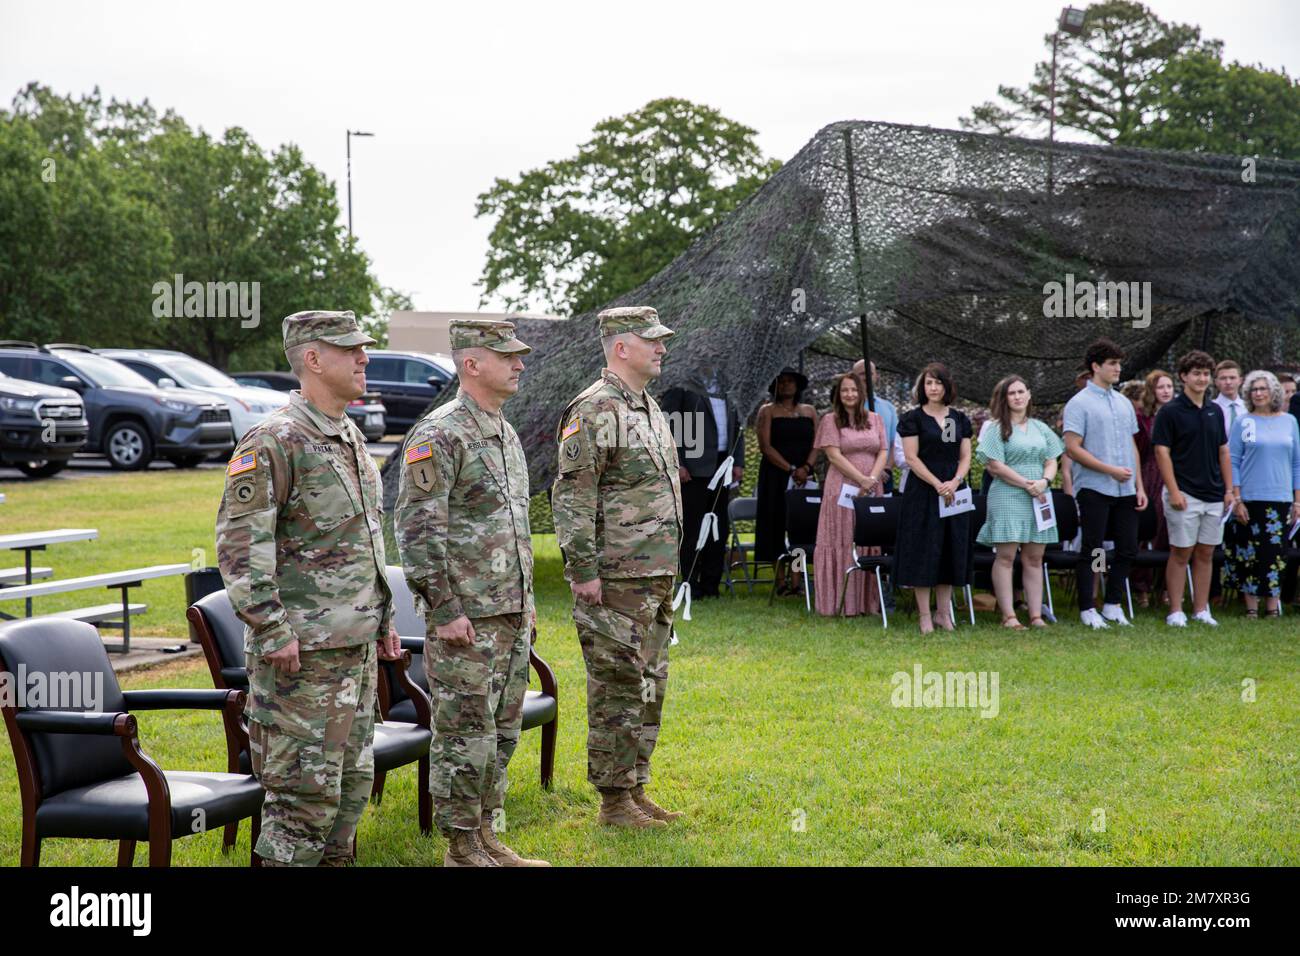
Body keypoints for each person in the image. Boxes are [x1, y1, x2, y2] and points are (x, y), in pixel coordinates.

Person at [215, 310, 400, 867]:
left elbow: (365, 542)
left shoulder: (348, 436)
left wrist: (384, 621)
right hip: (302, 659)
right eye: (351, 350)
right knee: (302, 799)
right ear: (313, 359)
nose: (364, 358)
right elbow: (241, 547)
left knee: (348, 789)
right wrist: (271, 628)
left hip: (355, 648)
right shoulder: (275, 440)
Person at [394, 319, 547, 867]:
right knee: (464, 732)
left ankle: (485, 835)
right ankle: (460, 847)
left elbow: (515, 527)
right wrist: (445, 609)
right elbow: (417, 529)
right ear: (471, 363)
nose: (520, 364)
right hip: (466, 617)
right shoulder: (441, 433)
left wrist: (527, 604)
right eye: (506, 355)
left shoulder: (503, 431)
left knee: (502, 730)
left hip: (507, 611)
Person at [551, 306, 683, 829]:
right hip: (614, 578)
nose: (662, 348)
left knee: (649, 683)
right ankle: (612, 803)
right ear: (620, 347)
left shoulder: (647, 407)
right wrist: (582, 569)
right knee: (616, 686)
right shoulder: (594, 408)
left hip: (653, 574)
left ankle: (635, 786)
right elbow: (573, 496)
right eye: (651, 340)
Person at [1062, 338, 1148, 629]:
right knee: (1094, 549)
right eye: (1112, 363)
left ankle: (1112, 605)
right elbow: (1073, 448)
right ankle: (1088, 607)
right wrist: (1109, 469)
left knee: (1127, 549)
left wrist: (1140, 486)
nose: (1118, 369)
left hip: (1126, 489)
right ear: (1095, 366)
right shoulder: (1078, 403)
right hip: (1095, 488)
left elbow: (1132, 445)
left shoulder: (1124, 402)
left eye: (1119, 363)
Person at [1151, 350, 1233, 627]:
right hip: (1183, 494)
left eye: (1205, 374)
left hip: (1214, 495)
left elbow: (1223, 451)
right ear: (1184, 376)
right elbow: (1162, 453)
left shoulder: (1215, 410)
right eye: (1196, 373)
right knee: (1181, 553)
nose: (1201, 378)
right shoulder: (1170, 411)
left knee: (1206, 553)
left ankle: (1201, 609)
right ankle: (1175, 611)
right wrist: (1173, 491)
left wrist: (1229, 489)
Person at [975, 376, 1064, 629]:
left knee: (1035, 558)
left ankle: (1035, 615)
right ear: (1004, 398)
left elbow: (1051, 458)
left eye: (1021, 391)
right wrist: (1027, 483)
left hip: (1039, 496)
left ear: (1029, 394)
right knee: (1005, 557)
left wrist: (1044, 482)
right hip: (1008, 495)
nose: (1017, 396)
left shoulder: (1040, 427)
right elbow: (995, 465)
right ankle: (1009, 616)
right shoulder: (995, 428)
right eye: (1011, 393)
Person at [894, 362, 973, 633]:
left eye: (938, 382)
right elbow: (911, 458)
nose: (933, 388)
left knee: (949, 549)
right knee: (924, 550)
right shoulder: (912, 419)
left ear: (947, 386)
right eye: (928, 383)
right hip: (923, 493)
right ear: (922, 387)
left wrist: (955, 481)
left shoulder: (958, 419)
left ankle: (943, 613)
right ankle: (924, 616)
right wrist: (938, 484)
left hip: (954, 493)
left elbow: (964, 456)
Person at [660, 370, 744, 599]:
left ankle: (711, 584)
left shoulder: (728, 383)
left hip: (723, 465)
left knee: (719, 528)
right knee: (693, 529)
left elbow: (738, 425)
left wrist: (738, 460)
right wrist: (678, 462)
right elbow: (669, 424)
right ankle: (689, 584)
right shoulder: (681, 383)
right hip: (694, 468)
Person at [1225, 370, 1300, 618]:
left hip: (1280, 499)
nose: (1258, 393)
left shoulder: (1289, 421)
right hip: (1249, 497)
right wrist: (1237, 498)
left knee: (1275, 554)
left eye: (1263, 389)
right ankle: (1250, 607)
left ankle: (1272, 607)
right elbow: (1233, 460)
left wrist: (1297, 500)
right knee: (1249, 553)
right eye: (1254, 389)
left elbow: (1296, 463)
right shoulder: (1243, 422)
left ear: (1274, 392)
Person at [812, 372, 888, 617]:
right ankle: (843, 602)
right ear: (838, 394)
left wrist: (872, 480)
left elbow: (884, 451)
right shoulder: (830, 420)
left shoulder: (876, 419)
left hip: (872, 487)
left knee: (867, 541)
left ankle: (868, 603)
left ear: (861, 393)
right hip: (843, 487)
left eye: (854, 390)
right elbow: (833, 455)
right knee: (843, 539)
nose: (850, 394)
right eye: (845, 390)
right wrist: (861, 479)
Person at [753, 367, 817, 594]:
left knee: (799, 529)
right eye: (782, 382)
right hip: (776, 476)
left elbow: (817, 443)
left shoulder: (809, 411)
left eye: (791, 382)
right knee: (775, 525)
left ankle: (797, 579)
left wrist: (806, 467)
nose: (787, 385)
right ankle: (780, 579)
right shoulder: (767, 411)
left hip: (804, 477)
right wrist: (790, 469)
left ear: (798, 386)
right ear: (775, 386)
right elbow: (765, 446)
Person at [1132, 369, 1175, 606]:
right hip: (1149, 478)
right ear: (1152, 390)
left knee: (1171, 534)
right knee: (1146, 532)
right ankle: (1141, 587)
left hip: (1176, 478)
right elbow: (1135, 452)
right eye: (1161, 387)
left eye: (1169, 386)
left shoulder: (1178, 414)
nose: (1166, 391)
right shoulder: (1142, 419)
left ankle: (1167, 588)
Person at [1212, 360, 1246, 436]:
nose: (1228, 382)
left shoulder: (1249, 408)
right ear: (1216, 382)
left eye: (1232, 378)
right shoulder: (1209, 409)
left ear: (1240, 381)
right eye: (1223, 378)